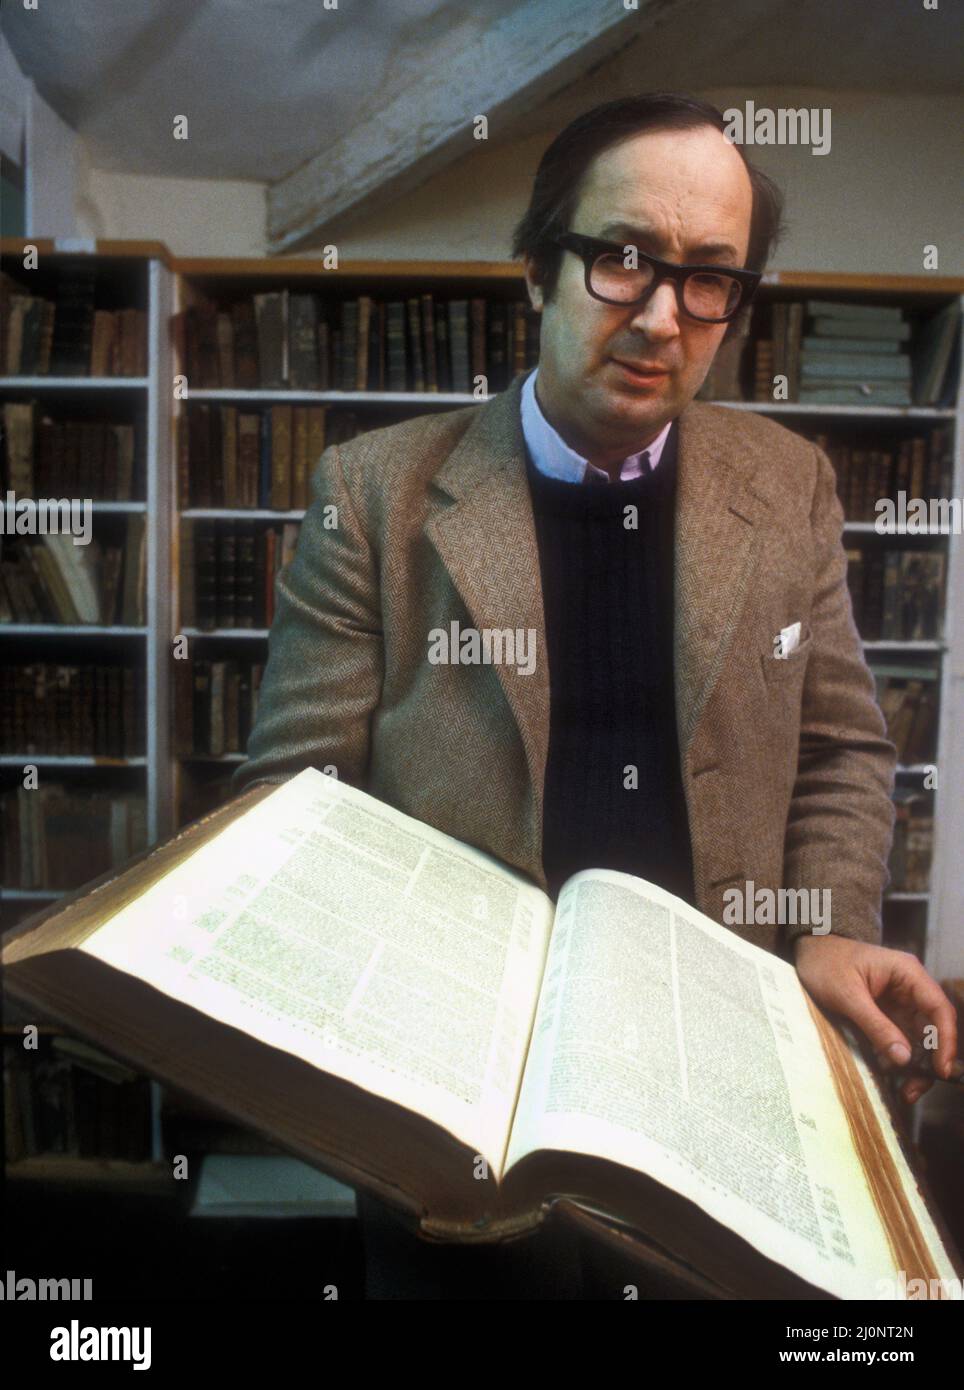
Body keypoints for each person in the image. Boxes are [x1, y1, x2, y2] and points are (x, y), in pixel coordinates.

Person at [233, 92, 958, 1297]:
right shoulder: (371, 491)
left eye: (708, 276)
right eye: (621, 258)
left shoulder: (788, 487)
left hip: (714, 1073)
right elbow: (294, 799)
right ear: (536, 268)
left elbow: (841, 746)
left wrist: (829, 919)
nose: (662, 316)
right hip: (454, 1095)